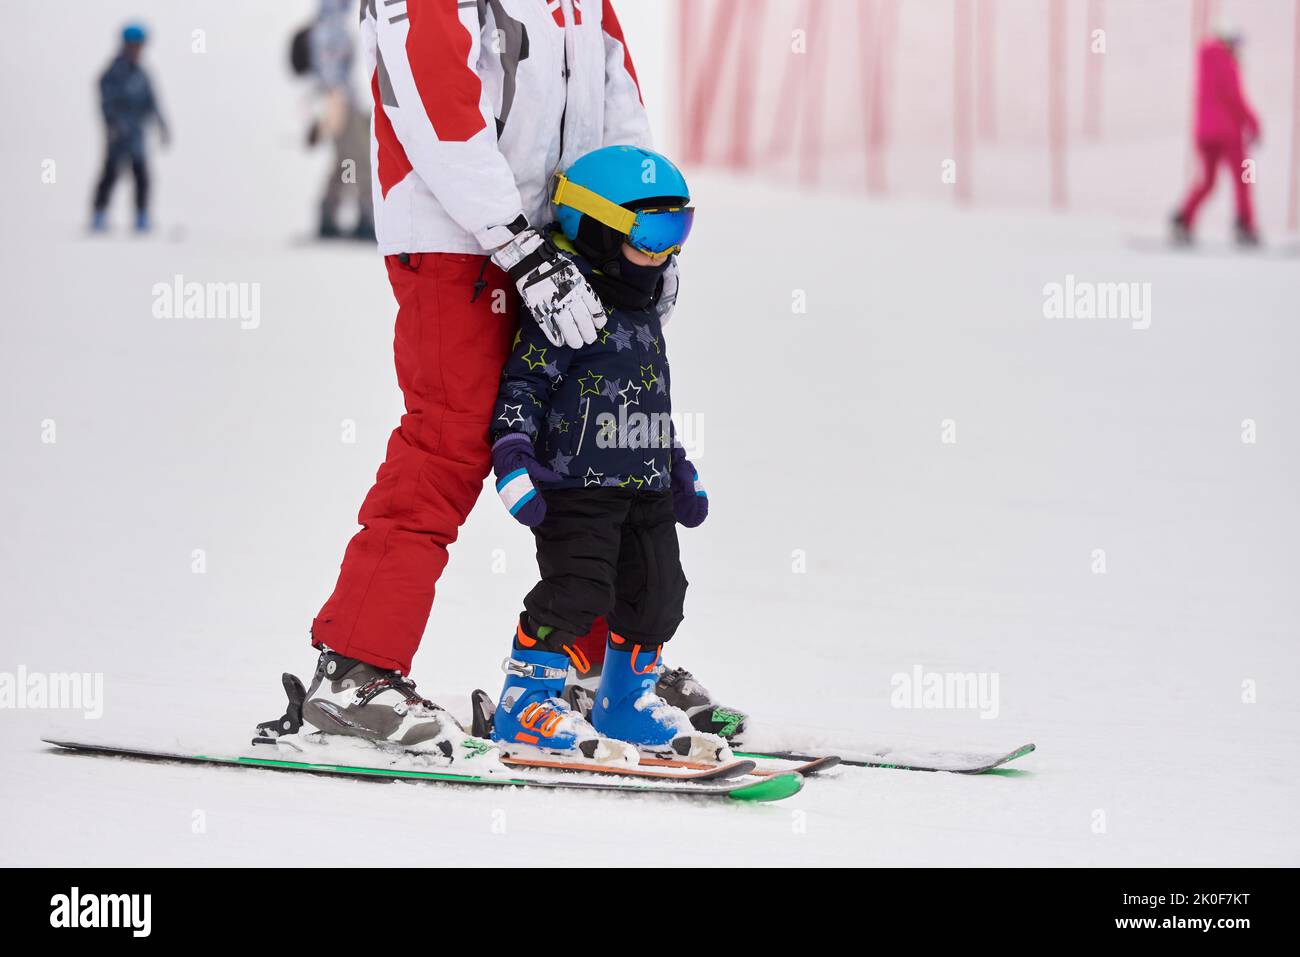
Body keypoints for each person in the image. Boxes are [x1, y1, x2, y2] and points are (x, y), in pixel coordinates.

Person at [271, 1, 741, 757]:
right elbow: (434, 100)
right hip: (457, 236)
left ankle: (588, 671)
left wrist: (634, 232)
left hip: (570, 239)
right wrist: (515, 244)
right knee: (450, 438)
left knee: (595, 443)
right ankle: (355, 673)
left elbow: (615, 99)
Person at [486, 145, 724, 764]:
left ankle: (624, 699)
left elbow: (652, 396)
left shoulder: (645, 308)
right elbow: (524, 384)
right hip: (577, 486)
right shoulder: (567, 303)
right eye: (650, 232)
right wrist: (513, 457)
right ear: (595, 227)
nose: (664, 252)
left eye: (678, 230)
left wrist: (675, 464)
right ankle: (524, 702)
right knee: (577, 590)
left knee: (659, 595)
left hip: (644, 487)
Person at [293, 0, 375, 241]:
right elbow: (332, 75)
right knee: (360, 160)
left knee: (344, 162)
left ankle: (328, 215)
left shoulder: (328, 23)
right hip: (342, 105)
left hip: (342, 103)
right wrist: (336, 110)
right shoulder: (330, 27)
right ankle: (366, 217)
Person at [1172, 28, 1261, 246]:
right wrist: (1253, 122)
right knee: (1242, 180)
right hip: (1228, 132)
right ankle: (1245, 225)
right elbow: (1235, 99)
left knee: (1208, 181)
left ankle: (1183, 218)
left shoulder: (1205, 62)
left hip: (1204, 133)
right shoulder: (1227, 64)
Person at [91, 23, 168, 233]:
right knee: (110, 174)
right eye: (133, 46)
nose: (136, 50)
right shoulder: (113, 72)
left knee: (142, 176)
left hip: (136, 136)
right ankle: (98, 215)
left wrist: (162, 125)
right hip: (117, 135)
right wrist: (113, 123)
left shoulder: (142, 74)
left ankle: (141, 217)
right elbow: (105, 101)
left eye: (139, 46)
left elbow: (152, 102)